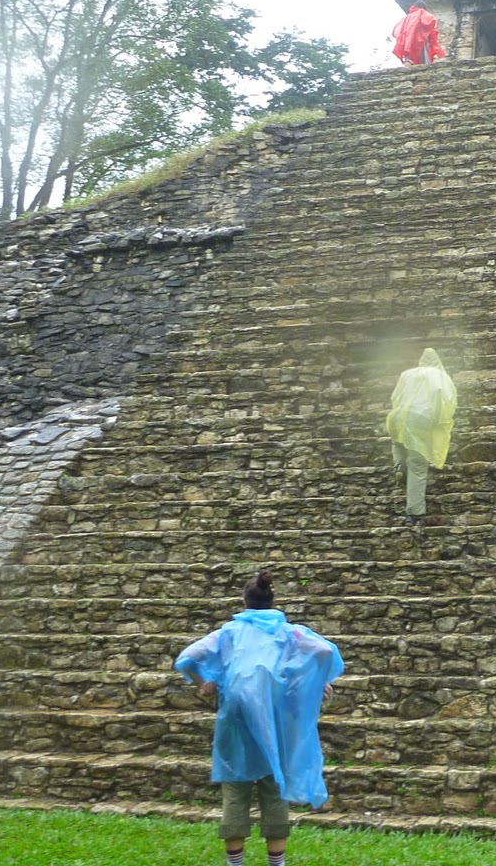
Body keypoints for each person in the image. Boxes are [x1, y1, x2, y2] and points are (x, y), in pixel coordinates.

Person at [175, 570, 345, 866]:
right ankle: (275, 863)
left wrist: (203, 682)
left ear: (245, 601)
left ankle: (235, 863)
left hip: (236, 721)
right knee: (274, 789)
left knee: (235, 789)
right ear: (272, 600)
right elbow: (322, 650)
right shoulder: (288, 632)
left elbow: (188, 656)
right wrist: (313, 682)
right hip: (275, 723)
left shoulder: (228, 632)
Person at [385, 347, 458, 526]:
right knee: (418, 466)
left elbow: (395, 397)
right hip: (421, 419)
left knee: (398, 441)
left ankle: (400, 466)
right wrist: (439, 422)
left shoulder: (407, 374)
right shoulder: (441, 376)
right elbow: (447, 401)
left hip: (397, 416)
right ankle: (414, 514)